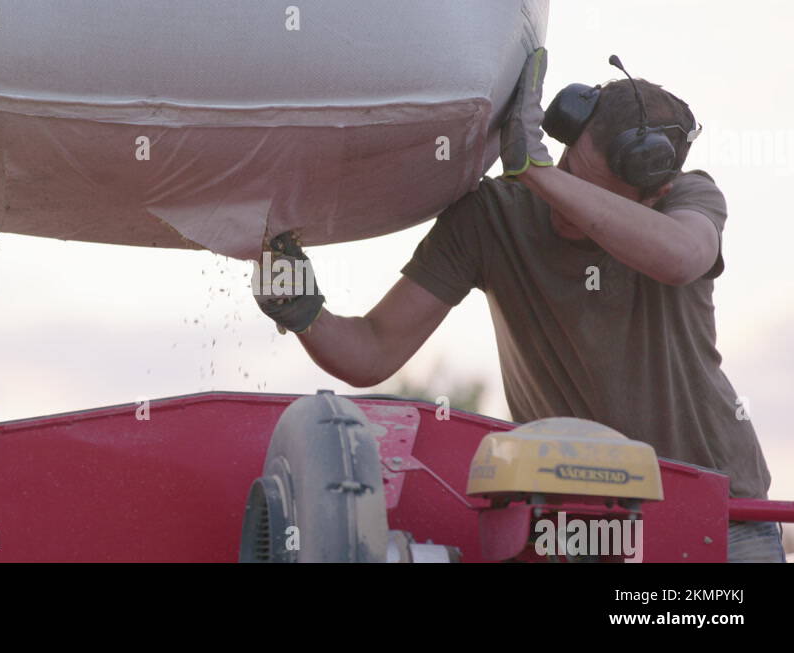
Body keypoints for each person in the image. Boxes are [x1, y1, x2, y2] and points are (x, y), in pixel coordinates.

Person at [252, 48, 784, 563]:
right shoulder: (494, 217)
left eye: (589, 193)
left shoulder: (690, 200)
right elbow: (370, 353)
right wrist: (303, 311)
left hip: (719, 513)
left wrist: (539, 173)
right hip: (569, 518)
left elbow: (684, 257)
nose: (562, 206)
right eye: (568, 172)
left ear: (657, 192)